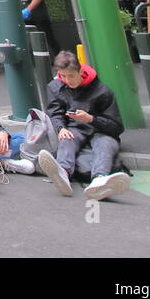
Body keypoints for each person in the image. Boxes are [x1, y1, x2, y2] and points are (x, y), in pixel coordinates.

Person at [36, 51, 131, 201]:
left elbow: (117, 127)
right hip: (74, 128)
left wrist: (91, 119)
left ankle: (99, 180)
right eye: (63, 76)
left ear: (80, 71)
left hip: (101, 131)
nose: (67, 80)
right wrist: (61, 128)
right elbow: (55, 113)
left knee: (104, 144)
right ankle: (63, 173)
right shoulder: (55, 87)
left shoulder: (103, 91)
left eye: (71, 76)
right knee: (67, 139)